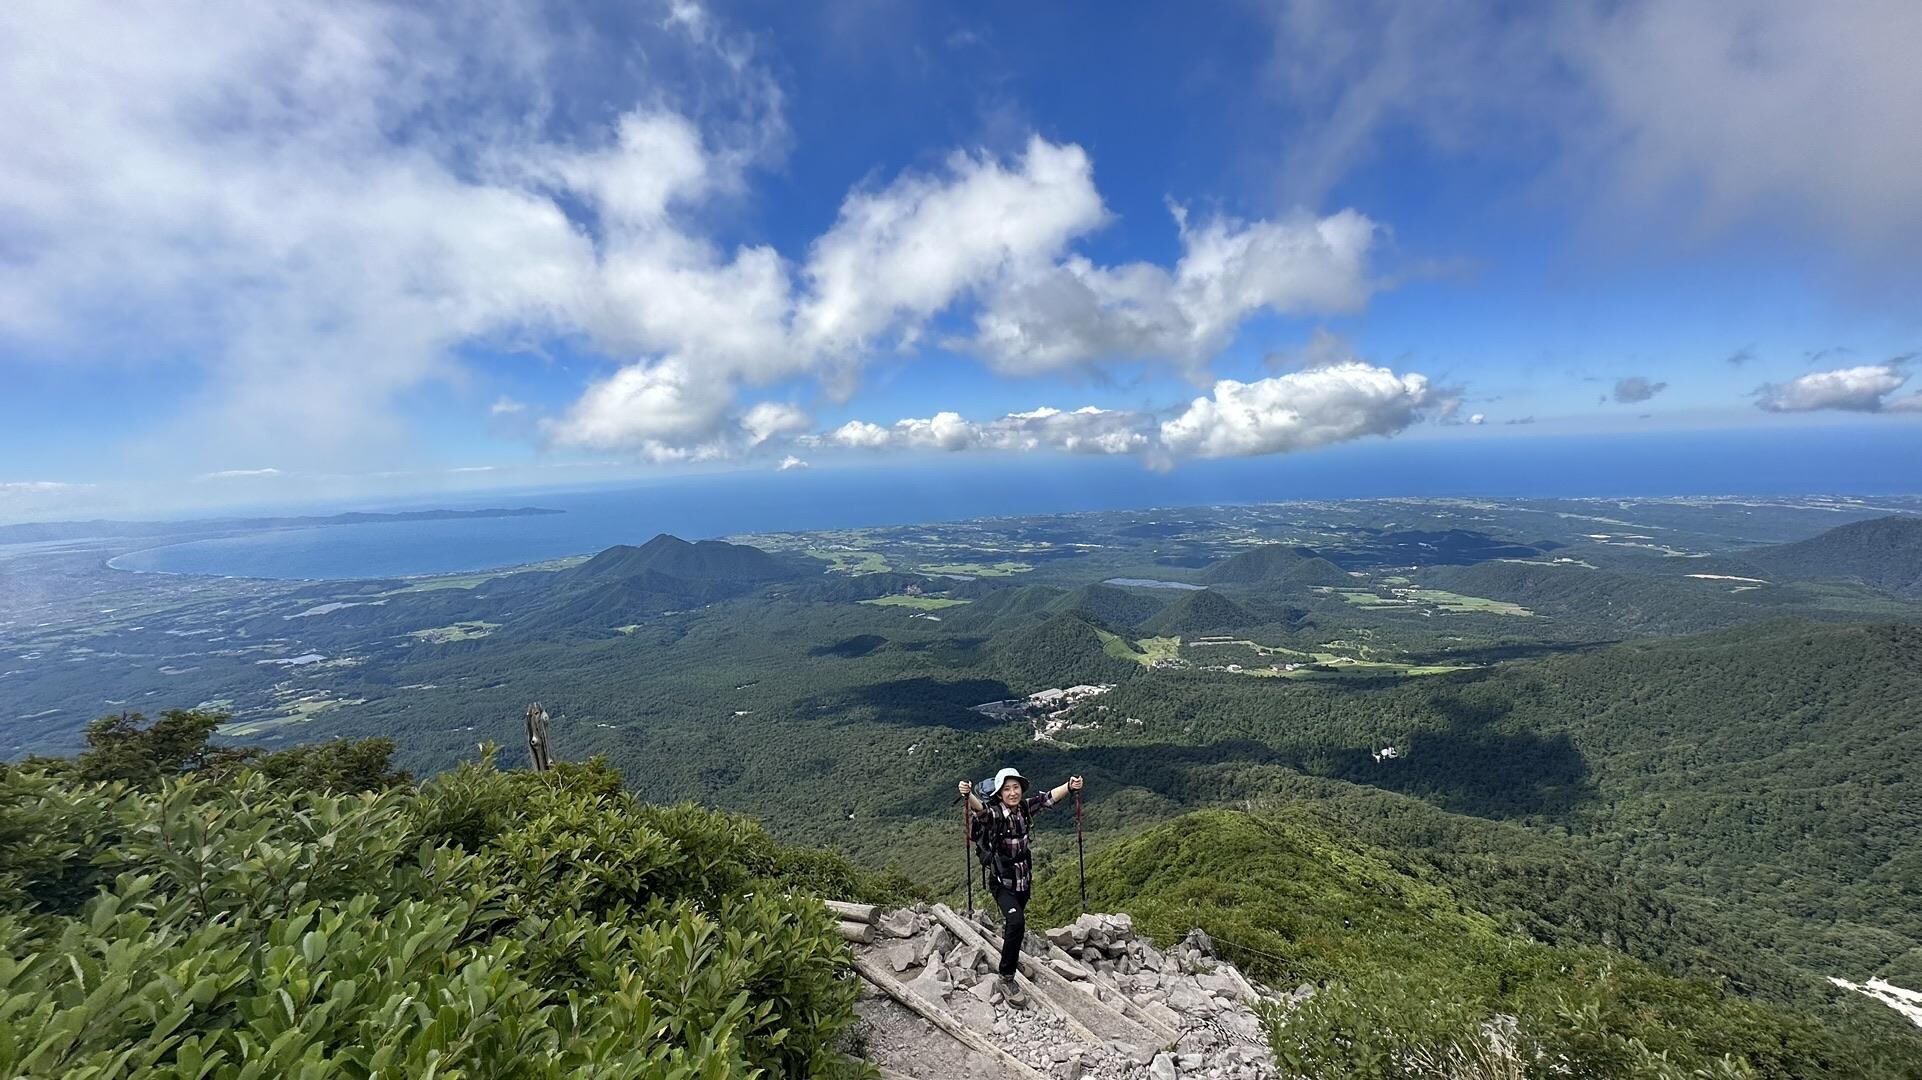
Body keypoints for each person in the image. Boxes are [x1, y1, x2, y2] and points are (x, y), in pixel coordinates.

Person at [958, 767, 1084, 1007]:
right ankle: (1006, 977)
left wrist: (1069, 786)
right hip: (1002, 881)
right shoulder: (995, 814)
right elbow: (980, 811)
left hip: (1023, 879)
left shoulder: (1025, 808)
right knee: (1016, 922)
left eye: (1015, 787)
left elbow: (1047, 798)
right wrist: (967, 794)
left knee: (1015, 924)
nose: (1013, 792)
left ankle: (1012, 957)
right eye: (1007, 789)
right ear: (999, 793)